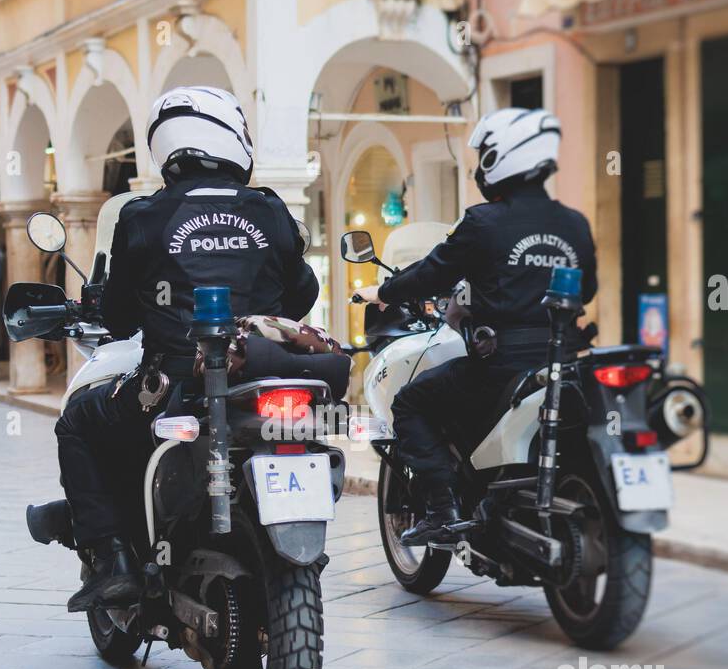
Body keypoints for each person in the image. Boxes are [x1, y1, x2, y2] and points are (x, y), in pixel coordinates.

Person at [49, 86, 321, 612]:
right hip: (260, 380)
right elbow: (302, 297)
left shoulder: (144, 217)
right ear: (231, 137)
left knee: (79, 422)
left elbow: (121, 316)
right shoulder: (268, 209)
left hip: (171, 388)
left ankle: (113, 560)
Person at [354, 108, 598, 546]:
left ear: (500, 158)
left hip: (503, 367)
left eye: (485, 154)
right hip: (564, 362)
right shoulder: (574, 224)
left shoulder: (483, 221)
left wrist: (383, 292)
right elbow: (590, 289)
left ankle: (442, 512)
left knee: (411, 403)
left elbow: (432, 272)